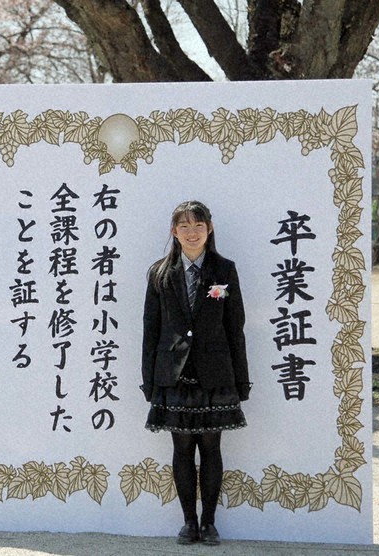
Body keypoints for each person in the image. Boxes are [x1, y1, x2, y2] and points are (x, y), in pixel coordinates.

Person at [140, 200, 251, 546]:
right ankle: (189, 522)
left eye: (198, 226)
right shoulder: (160, 272)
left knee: (212, 448)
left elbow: (236, 328)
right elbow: (151, 329)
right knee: (182, 450)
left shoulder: (225, 270)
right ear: (174, 231)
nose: (192, 233)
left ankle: (210, 523)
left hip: (215, 374)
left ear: (210, 229)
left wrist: (241, 379)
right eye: (184, 226)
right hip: (173, 375)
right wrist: (149, 380)